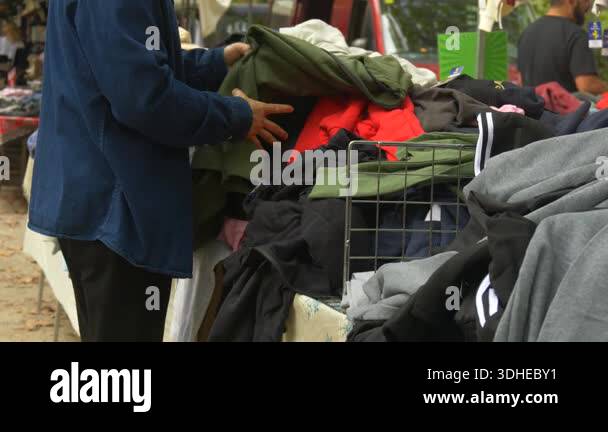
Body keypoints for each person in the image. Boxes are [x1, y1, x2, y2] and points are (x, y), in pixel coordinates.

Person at [29, 0, 294, 342]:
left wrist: (216, 62)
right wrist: (236, 116)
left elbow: (139, 62)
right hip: (117, 202)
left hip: (101, 198)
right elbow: (145, 98)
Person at [518, 0, 608, 94]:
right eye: (585, 1)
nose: (588, 5)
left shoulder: (527, 33)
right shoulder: (575, 35)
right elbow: (587, 86)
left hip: (532, 107)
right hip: (566, 107)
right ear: (571, 1)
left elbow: (520, 80)